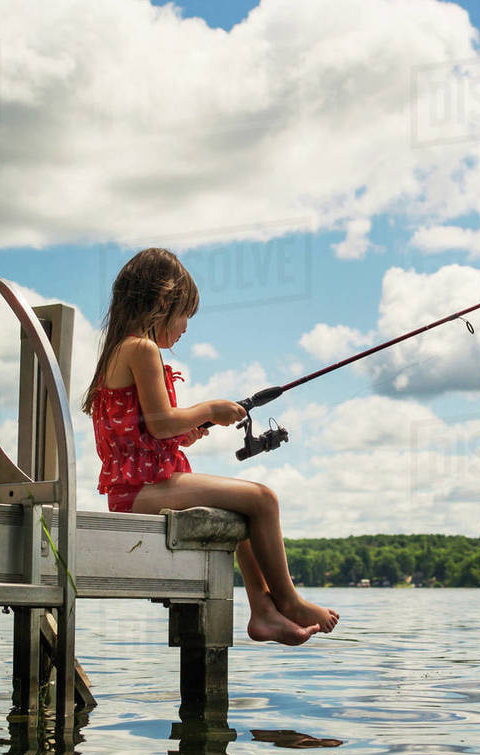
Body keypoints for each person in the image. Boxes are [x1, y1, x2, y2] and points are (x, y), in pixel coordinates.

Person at [83, 248, 338, 646]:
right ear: (163, 301)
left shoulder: (117, 350)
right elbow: (161, 422)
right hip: (140, 492)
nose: (185, 327)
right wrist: (209, 409)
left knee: (241, 509)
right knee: (263, 499)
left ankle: (263, 611)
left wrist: (187, 433)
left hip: (134, 488)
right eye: (184, 313)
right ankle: (288, 600)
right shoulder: (142, 349)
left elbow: (145, 430)